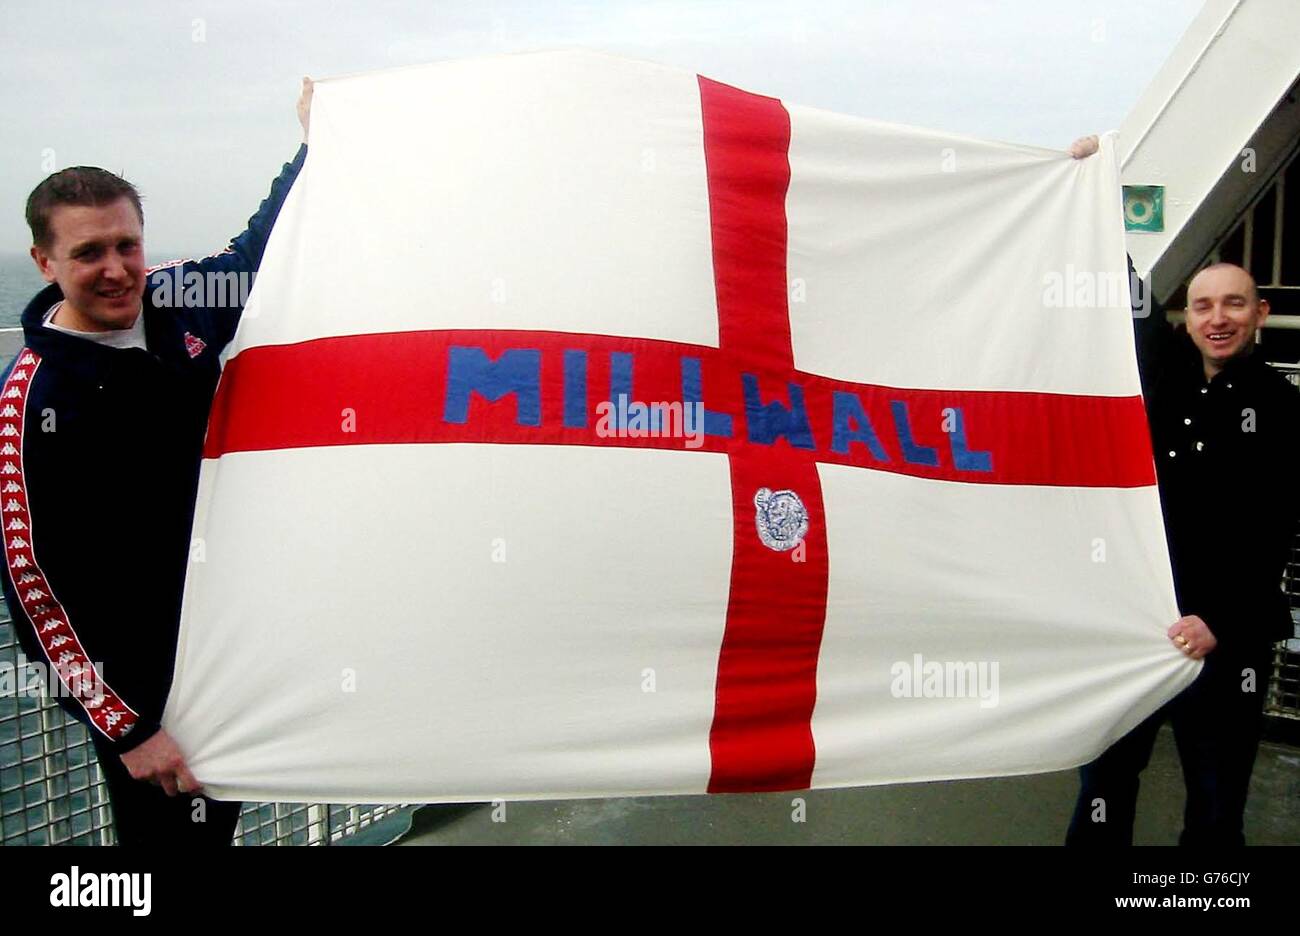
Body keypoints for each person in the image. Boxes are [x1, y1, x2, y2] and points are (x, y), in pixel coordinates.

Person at [0, 78, 314, 845]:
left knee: (222, 831)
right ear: (45, 261)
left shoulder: (180, 301)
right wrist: (129, 728)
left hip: (227, 644)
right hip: (148, 691)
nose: (115, 269)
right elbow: (34, 586)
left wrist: (316, 139)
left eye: (126, 245)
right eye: (88, 253)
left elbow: (259, 245)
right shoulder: (32, 401)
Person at [1056, 145, 1299, 843]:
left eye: (1232, 304)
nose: (1215, 317)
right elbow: (1121, 288)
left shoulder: (1282, 409)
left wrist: (1215, 620)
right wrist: (1090, 189)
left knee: (1216, 809)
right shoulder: (1160, 378)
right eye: (1200, 306)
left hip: (1226, 641)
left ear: (1260, 313)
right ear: (1186, 318)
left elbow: (1272, 532)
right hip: (1140, 626)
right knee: (1103, 787)